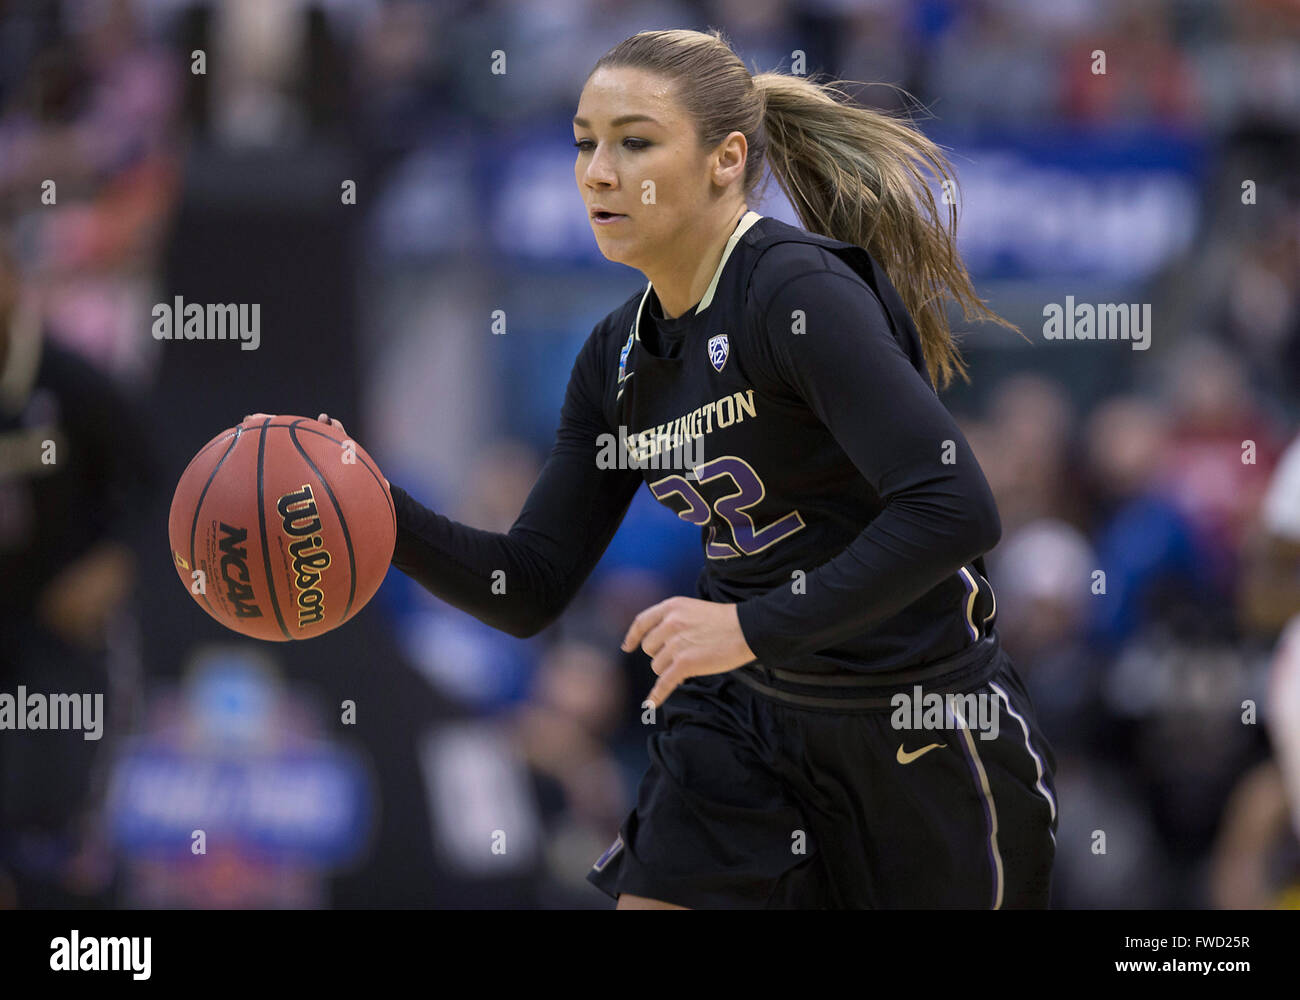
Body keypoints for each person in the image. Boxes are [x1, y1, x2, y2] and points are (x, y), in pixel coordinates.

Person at [291, 27, 1058, 908]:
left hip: (917, 719)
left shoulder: (793, 292)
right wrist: (376, 510)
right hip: (743, 717)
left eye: (635, 142)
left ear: (726, 160)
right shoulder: (615, 356)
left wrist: (746, 627)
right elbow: (529, 583)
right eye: (584, 143)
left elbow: (955, 507)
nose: (598, 172)